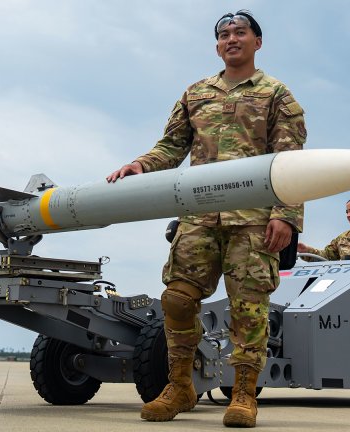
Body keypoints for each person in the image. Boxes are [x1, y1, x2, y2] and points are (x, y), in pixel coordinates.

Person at [107, 10, 305, 428]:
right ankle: (180, 386)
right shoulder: (196, 93)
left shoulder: (276, 94)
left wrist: (286, 216)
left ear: (257, 42)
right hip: (198, 216)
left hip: (253, 220)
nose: (232, 39)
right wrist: (141, 165)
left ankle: (244, 394)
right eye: (224, 34)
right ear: (217, 46)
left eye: (240, 32)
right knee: (177, 299)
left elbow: (291, 161)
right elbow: (171, 145)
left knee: (248, 308)